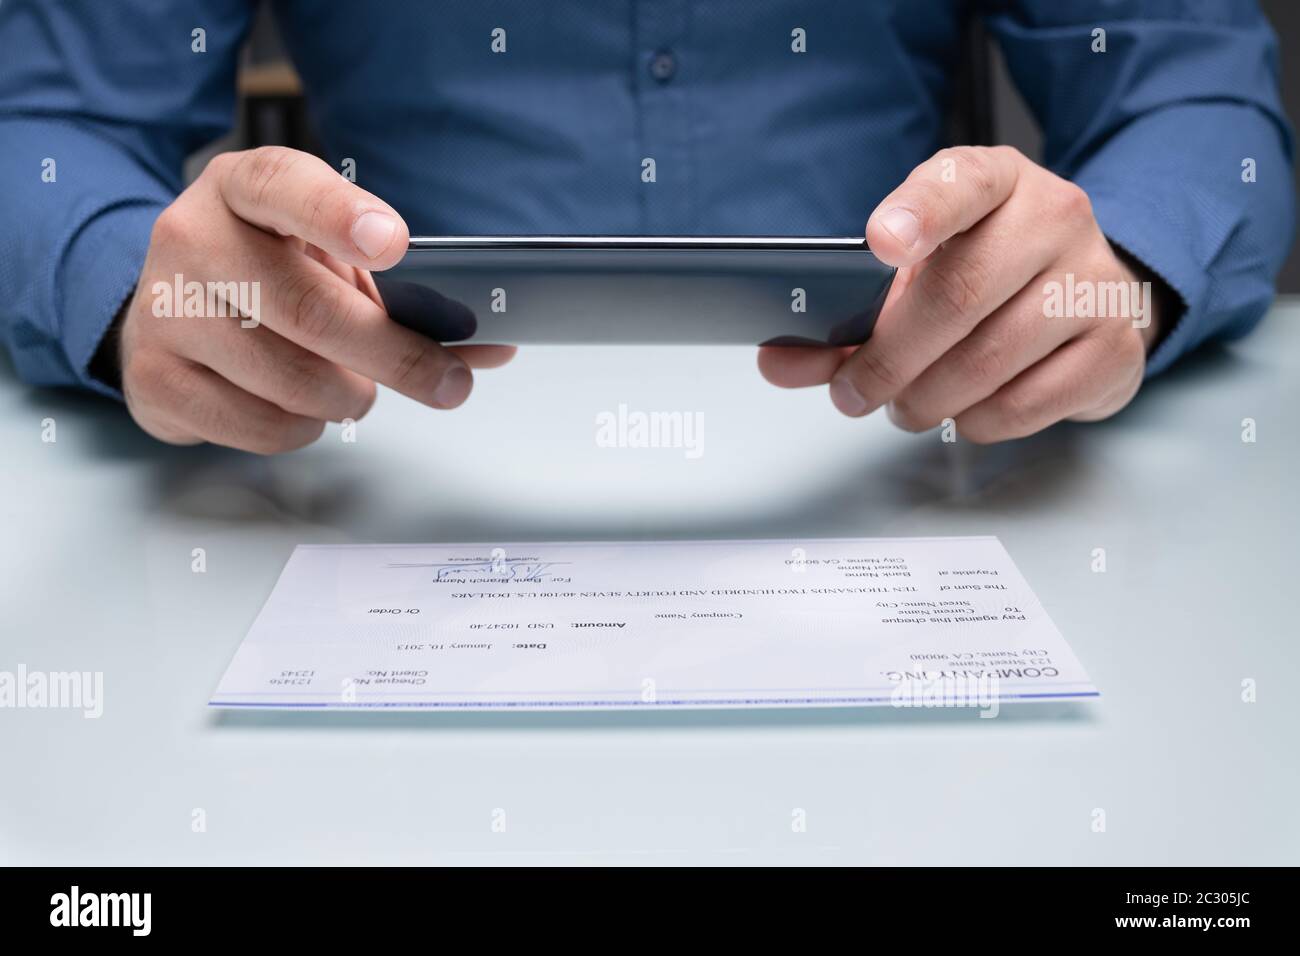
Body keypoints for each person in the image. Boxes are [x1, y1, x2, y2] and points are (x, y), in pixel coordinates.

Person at [0, 1, 1293, 453]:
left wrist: (1112, 269)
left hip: (922, 450)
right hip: (355, 460)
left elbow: (1194, 91)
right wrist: (129, 291)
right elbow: (43, 125)